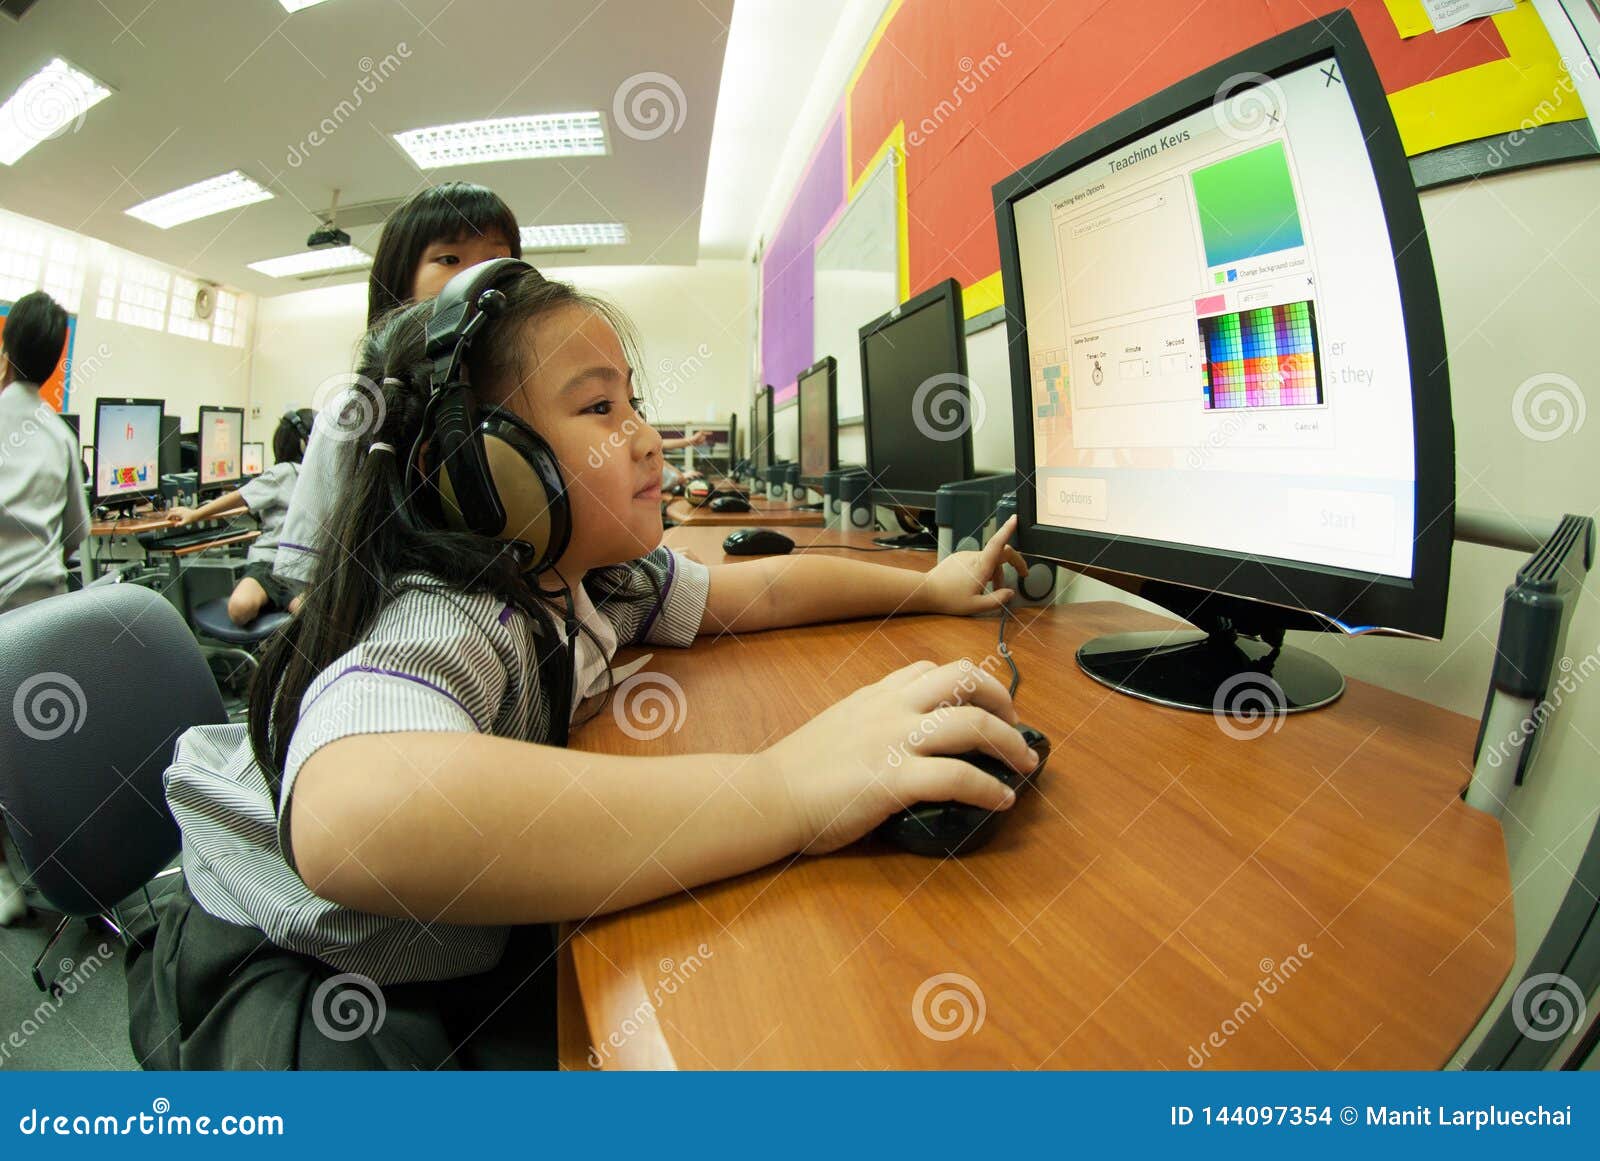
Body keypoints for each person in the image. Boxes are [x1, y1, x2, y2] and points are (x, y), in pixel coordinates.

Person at [127, 261, 1034, 1068]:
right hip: (284, 958)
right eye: (600, 408)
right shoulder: (453, 613)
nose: (644, 435)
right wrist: (790, 787)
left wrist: (932, 587)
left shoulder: (595, 577)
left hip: (433, 925)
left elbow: (759, 592)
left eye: (633, 401)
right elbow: (351, 814)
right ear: (485, 469)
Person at [272, 183, 521, 589]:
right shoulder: (354, 413)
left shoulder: (523, 397)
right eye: (450, 258)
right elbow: (308, 574)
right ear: (399, 279)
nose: (476, 277)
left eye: (496, 260)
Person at [0, 290, 89, 925]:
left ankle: (3, 880)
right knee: (39, 741)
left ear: (4, 348)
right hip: (47, 624)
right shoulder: (58, 433)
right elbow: (79, 534)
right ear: (57, 358)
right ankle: (62, 864)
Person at [166, 409, 315, 624]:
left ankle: (278, 612)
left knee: (313, 620)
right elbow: (239, 497)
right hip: (269, 564)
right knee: (239, 609)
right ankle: (272, 604)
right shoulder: (284, 472)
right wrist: (195, 514)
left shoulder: (325, 478)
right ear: (305, 444)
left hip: (301, 569)